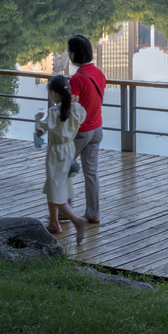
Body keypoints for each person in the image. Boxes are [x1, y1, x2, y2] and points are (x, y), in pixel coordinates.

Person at [35, 75, 88, 243]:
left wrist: (37, 120)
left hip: (56, 151)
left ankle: (76, 220)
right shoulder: (77, 109)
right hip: (69, 149)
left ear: (53, 94)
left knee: (56, 188)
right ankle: (54, 222)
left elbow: (40, 132)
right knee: (54, 184)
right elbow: (82, 118)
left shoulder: (53, 112)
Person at [66, 34, 106, 224]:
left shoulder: (77, 79)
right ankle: (93, 213)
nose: (68, 54)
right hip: (97, 129)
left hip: (80, 132)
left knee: (61, 167)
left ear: (74, 54)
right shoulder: (99, 73)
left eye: (69, 51)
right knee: (91, 173)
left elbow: (69, 104)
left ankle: (64, 212)